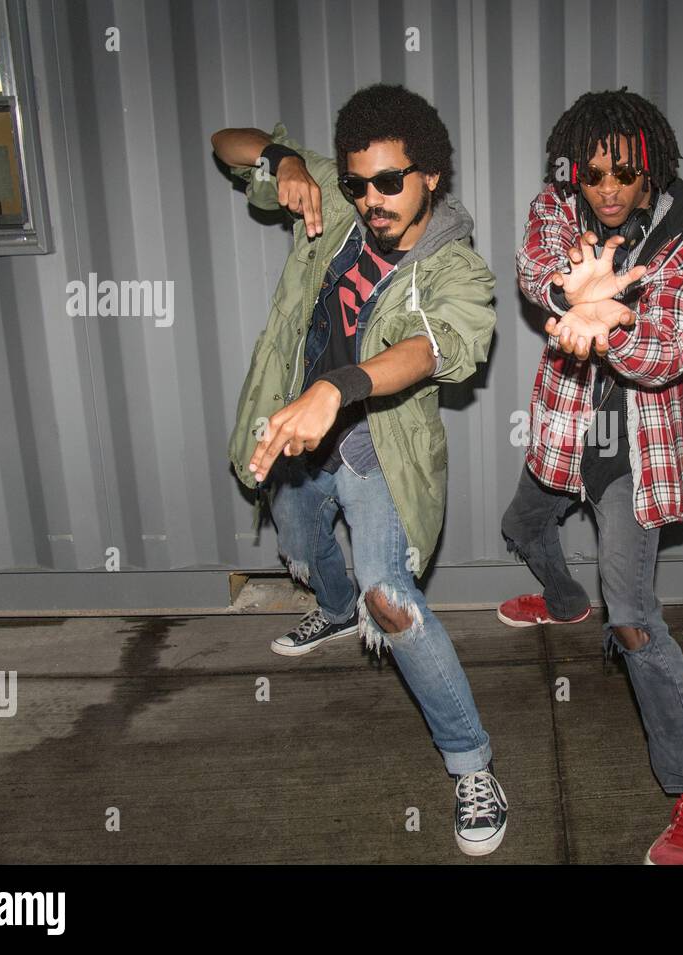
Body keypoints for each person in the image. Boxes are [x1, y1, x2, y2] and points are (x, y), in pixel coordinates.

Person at [213, 84, 507, 856]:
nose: (370, 200)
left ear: (430, 175)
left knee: (391, 596)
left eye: (389, 182)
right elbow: (225, 139)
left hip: (374, 452)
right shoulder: (337, 207)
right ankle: (333, 608)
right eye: (355, 182)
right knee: (305, 547)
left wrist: (338, 388)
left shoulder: (455, 266)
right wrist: (280, 160)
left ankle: (472, 763)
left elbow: (446, 344)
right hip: (295, 434)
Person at [499, 88, 683, 865]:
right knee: (522, 526)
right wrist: (572, 289)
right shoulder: (560, 207)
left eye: (623, 175)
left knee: (631, 616)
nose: (606, 189)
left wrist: (616, 323)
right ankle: (565, 601)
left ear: (651, 171)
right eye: (594, 172)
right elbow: (534, 267)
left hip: (635, 451)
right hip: (565, 426)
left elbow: (668, 353)